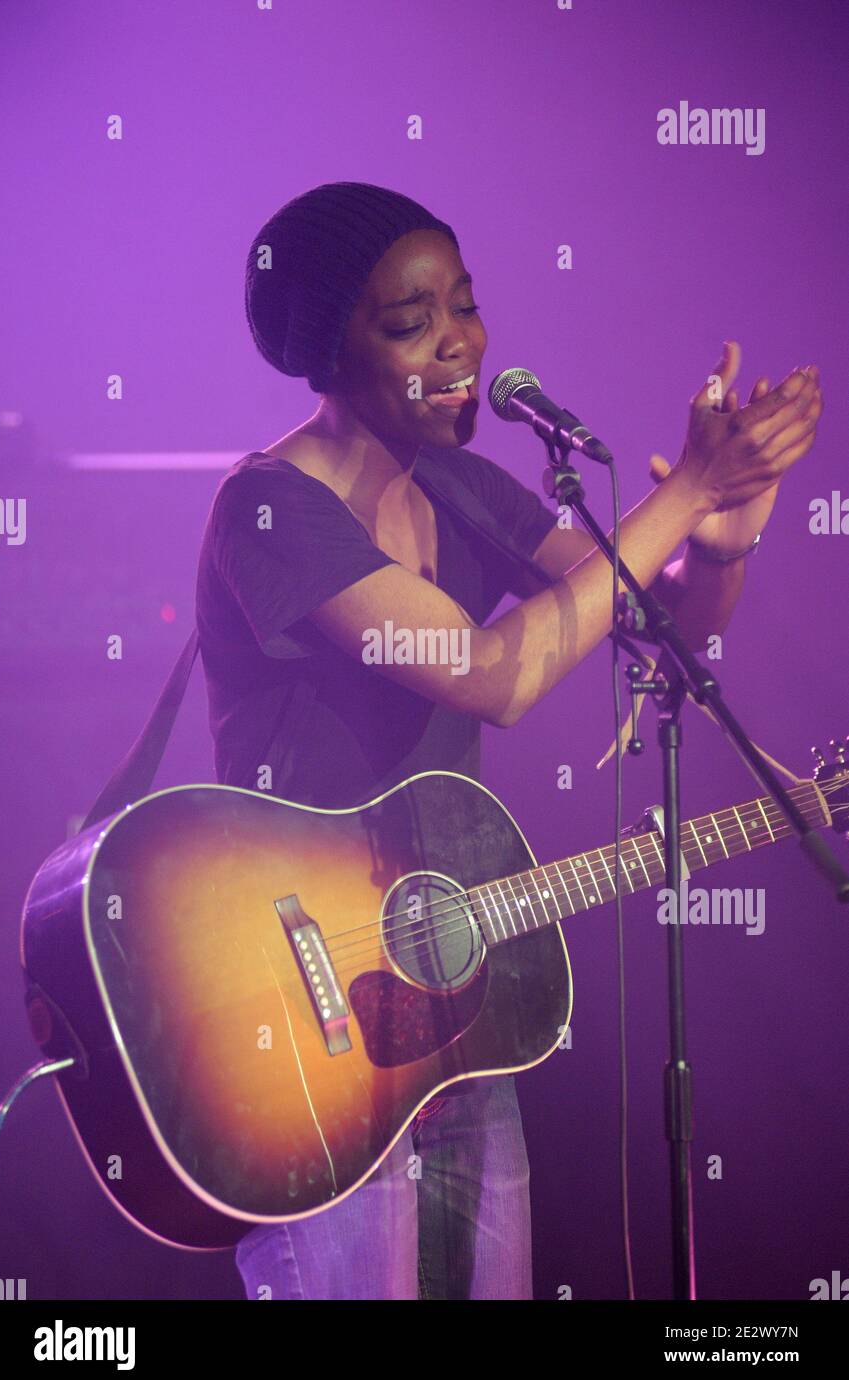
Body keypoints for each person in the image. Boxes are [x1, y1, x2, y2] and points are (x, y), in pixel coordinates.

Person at [194, 181, 822, 1300]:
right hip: (302, 1030)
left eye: (466, 306)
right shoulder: (269, 509)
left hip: (453, 1014)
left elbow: (652, 628)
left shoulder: (464, 488)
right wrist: (683, 500)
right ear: (326, 353)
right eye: (409, 323)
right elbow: (493, 676)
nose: (460, 344)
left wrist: (718, 544)